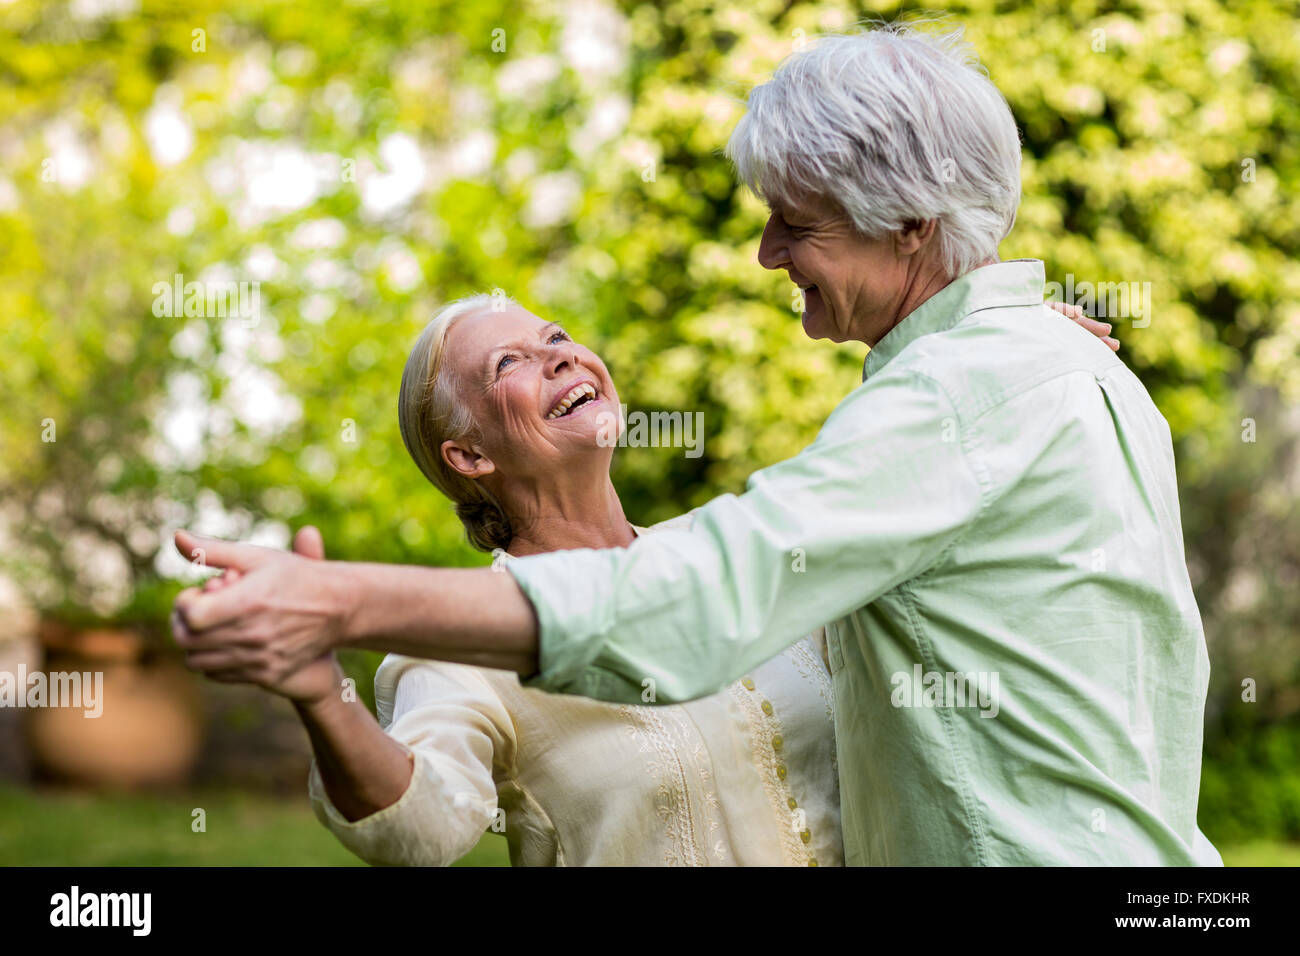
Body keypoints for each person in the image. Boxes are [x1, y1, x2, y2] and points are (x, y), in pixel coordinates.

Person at [173, 21, 1219, 866]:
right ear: (465, 454)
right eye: (506, 367)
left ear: (906, 224)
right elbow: (422, 830)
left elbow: (696, 596)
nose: (767, 252)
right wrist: (325, 683)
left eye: (795, 222)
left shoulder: (965, 392)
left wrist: (337, 596)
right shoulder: (1032, 372)